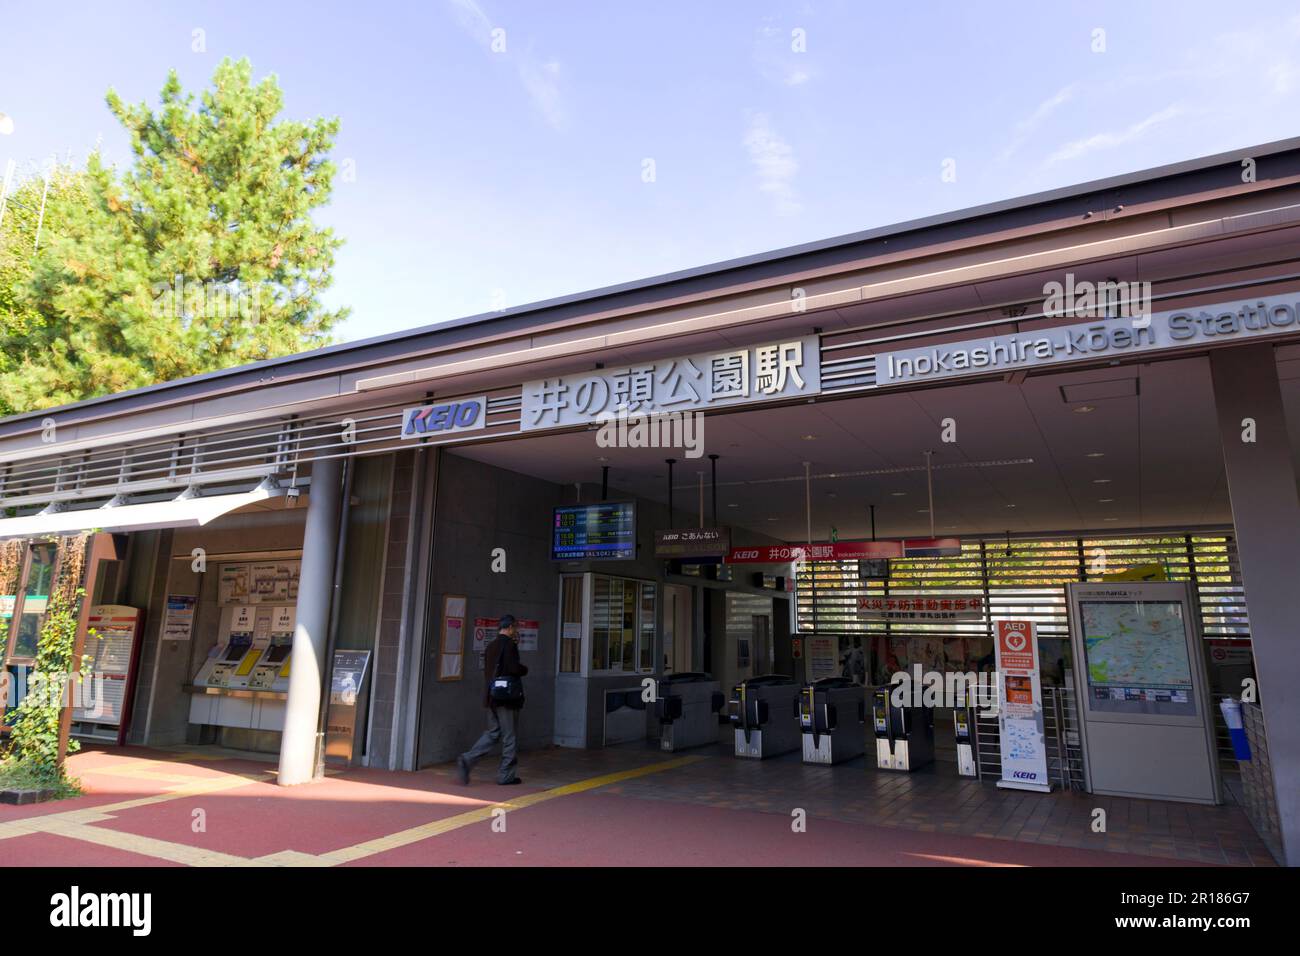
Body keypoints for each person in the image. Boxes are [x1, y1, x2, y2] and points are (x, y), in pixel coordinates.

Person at [457, 614, 528, 786]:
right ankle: (506, 776)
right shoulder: (510, 645)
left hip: (491, 697)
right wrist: (524, 669)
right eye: (515, 628)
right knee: (509, 737)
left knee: (493, 733)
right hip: (506, 698)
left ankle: (468, 759)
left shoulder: (491, 646)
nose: (515, 631)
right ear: (510, 627)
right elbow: (513, 668)